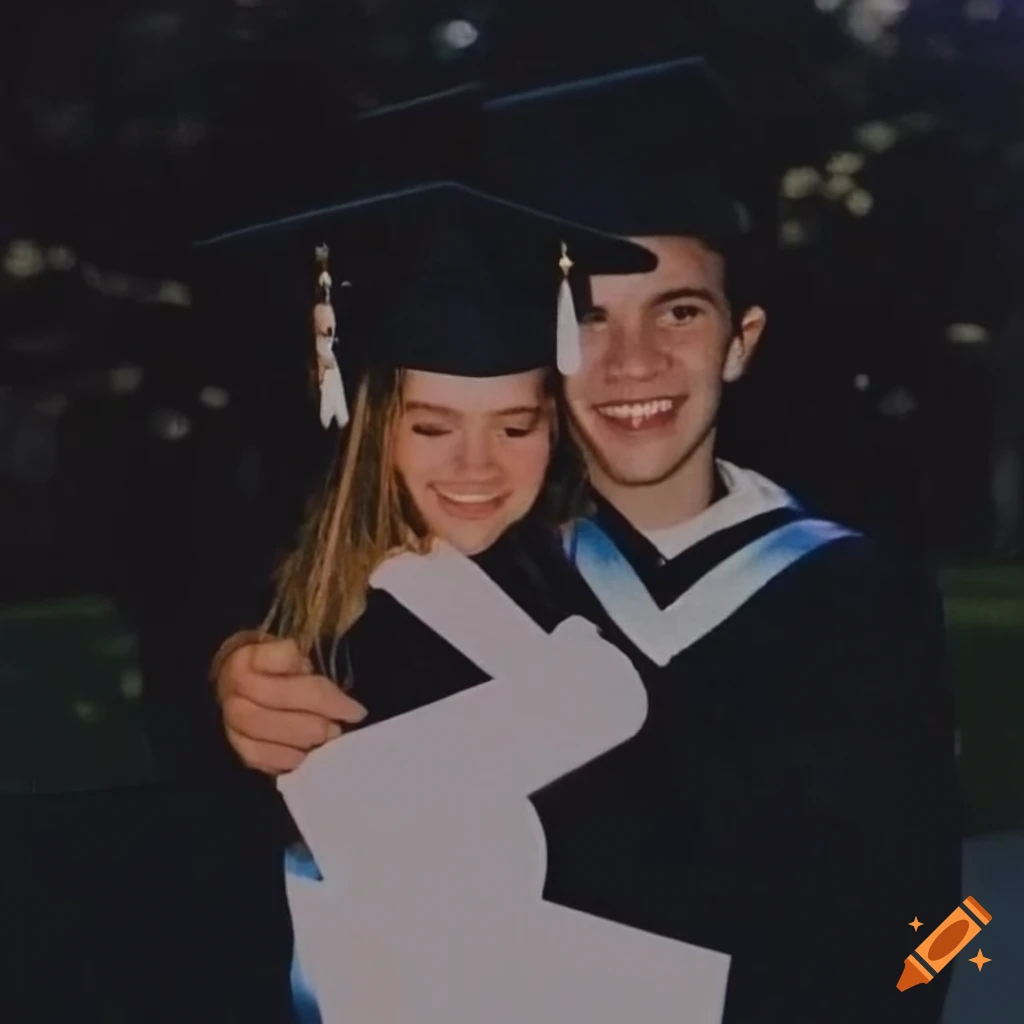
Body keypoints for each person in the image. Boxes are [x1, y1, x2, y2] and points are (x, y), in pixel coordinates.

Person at [213, 60, 961, 1024]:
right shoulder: (480, 578)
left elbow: (959, 911)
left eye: (679, 312)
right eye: (592, 319)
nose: (632, 361)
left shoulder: (865, 590)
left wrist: (906, 996)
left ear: (743, 340)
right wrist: (236, 674)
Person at [204, 179, 682, 1023]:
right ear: (374, 422)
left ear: (555, 423)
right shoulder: (307, 622)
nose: (476, 469)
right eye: (432, 427)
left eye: (514, 426)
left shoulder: (582, 583)